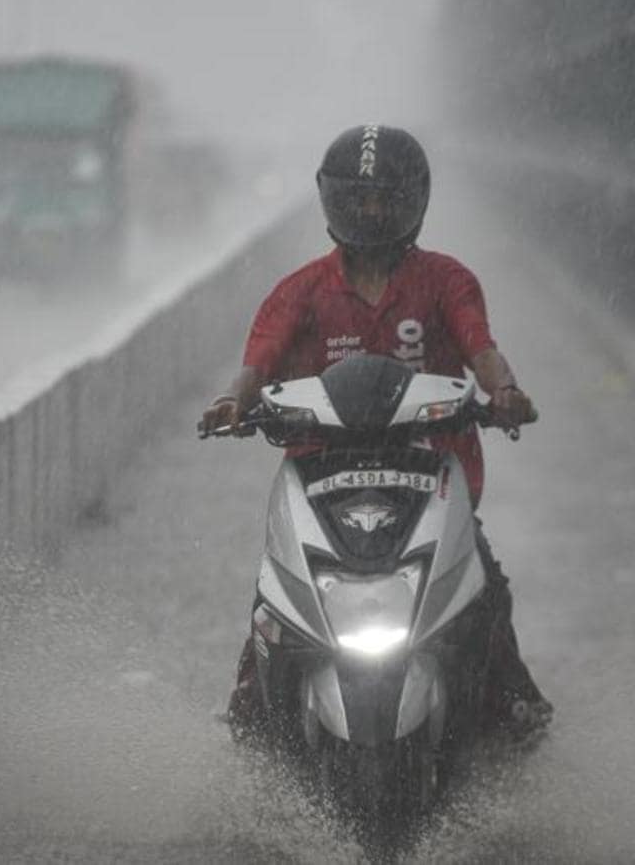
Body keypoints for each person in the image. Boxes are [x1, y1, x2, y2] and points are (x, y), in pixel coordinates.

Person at [199, 124, 553, 741]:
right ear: (332, 200)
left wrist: (505, 392)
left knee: (484, 587)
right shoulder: (300, 291)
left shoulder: (447, 280)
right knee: (278, 593)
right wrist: (233, 402)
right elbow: (258, 363)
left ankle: (511, 700)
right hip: (324, 473)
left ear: (414, 201)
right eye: (357, 199)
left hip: (427, 470)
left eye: (384, 200)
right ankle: (252, 709)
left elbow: (482, 348)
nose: (370, 213)